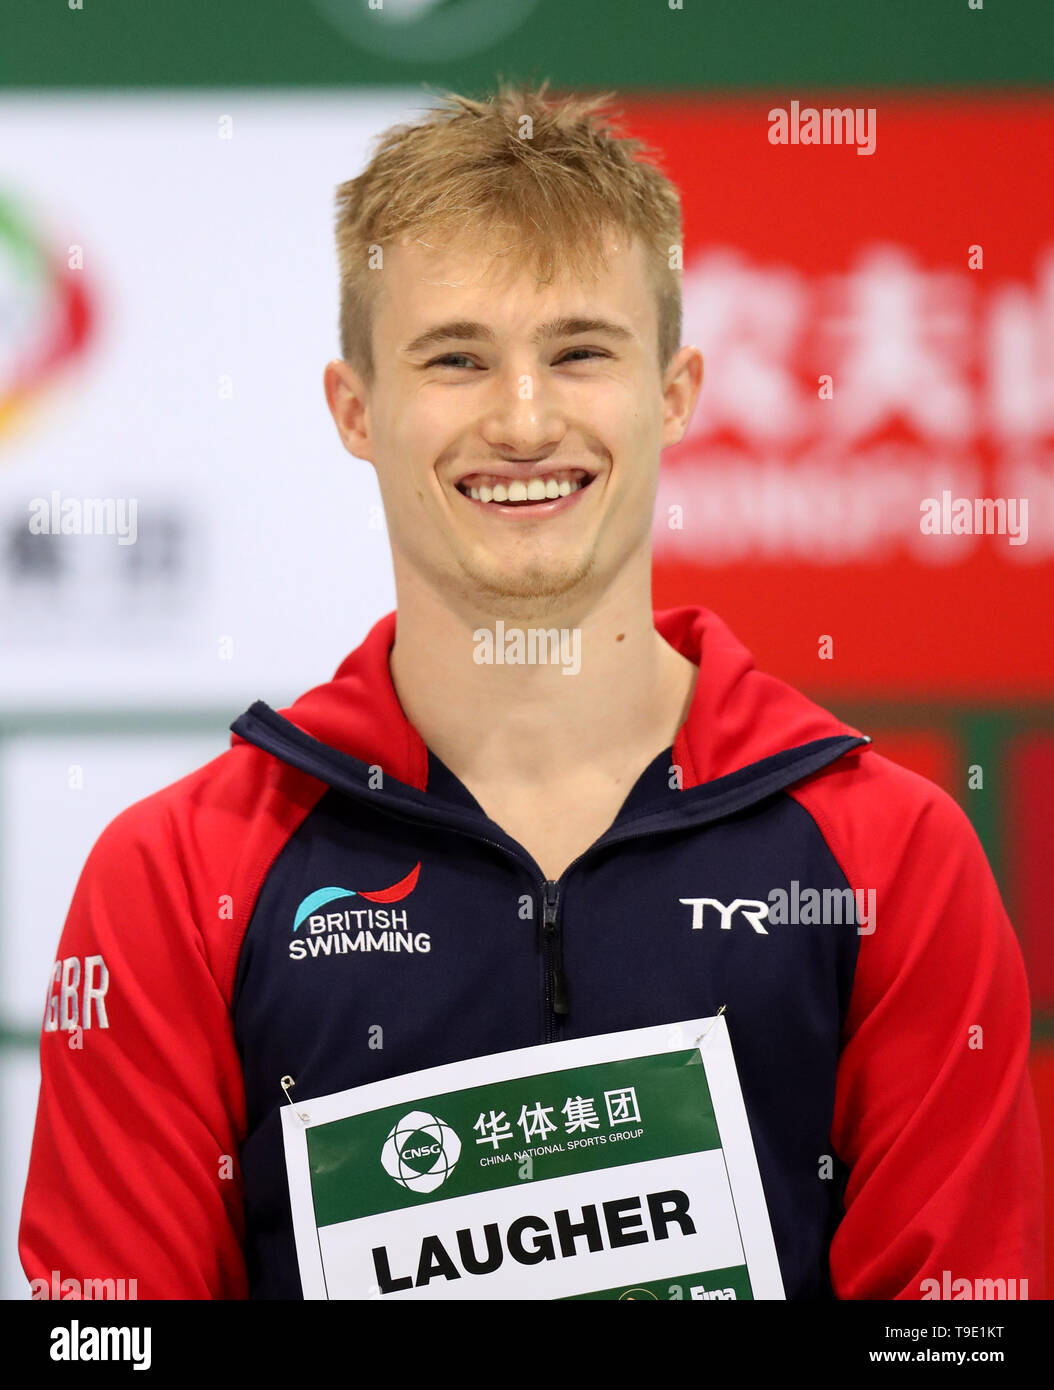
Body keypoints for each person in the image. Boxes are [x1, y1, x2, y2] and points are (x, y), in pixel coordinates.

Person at [20, 81, 1043, 1301]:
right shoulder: (180, 879)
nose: (522, 418)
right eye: (455, 357)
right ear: (357, 409)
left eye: (578, 352)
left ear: (675, 392)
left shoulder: (892, 858)